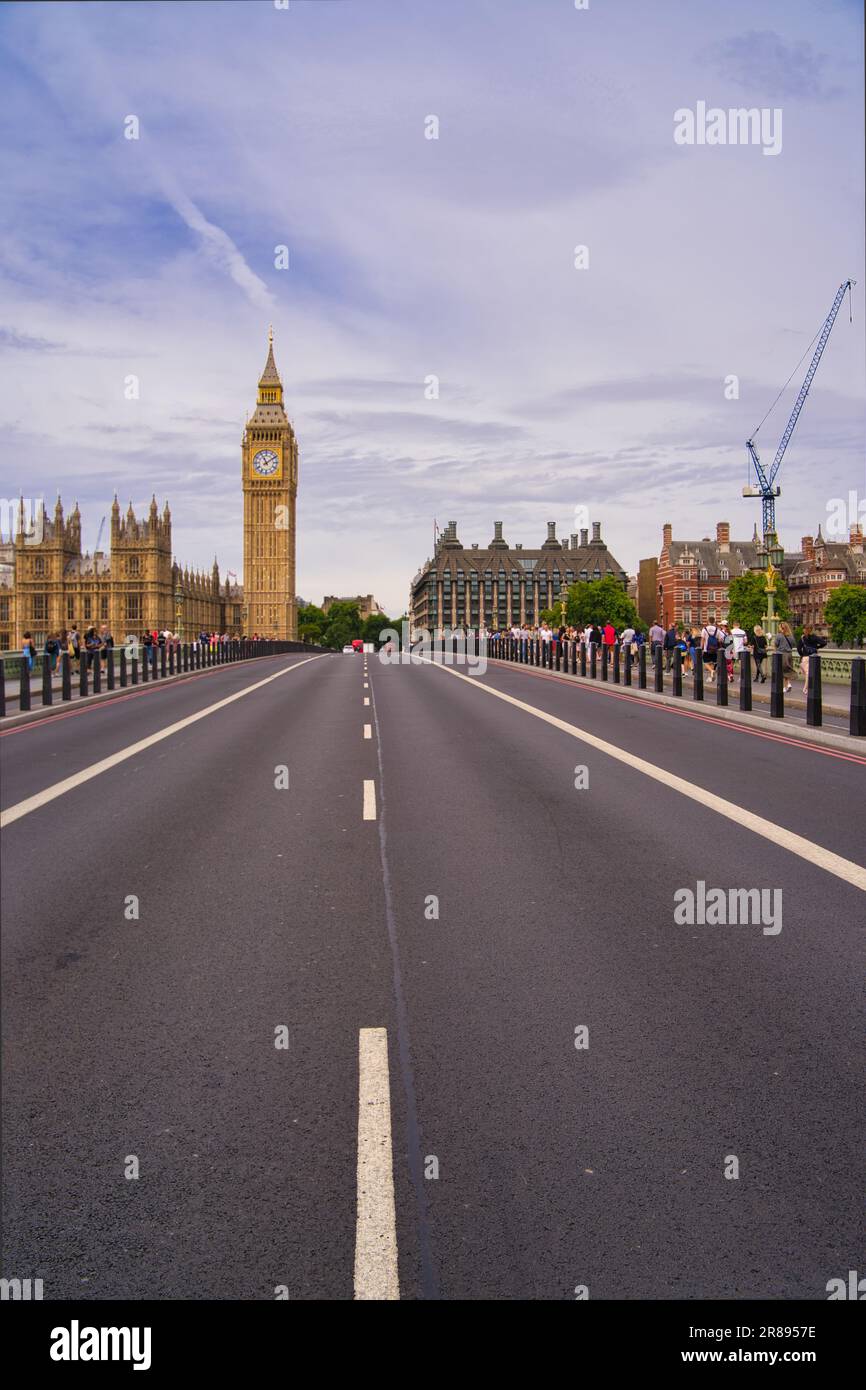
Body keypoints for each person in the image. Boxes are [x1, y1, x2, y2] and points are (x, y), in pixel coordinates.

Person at [798, 625, 827, 695]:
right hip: (813, 657)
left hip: (805, 657)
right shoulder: (815, 637)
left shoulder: (803, 638)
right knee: (810, 673)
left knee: (807, 674)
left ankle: (806, 688)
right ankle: (807, 688)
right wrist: (817, 647)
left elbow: (799, 648)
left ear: (804, 630)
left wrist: (803, 655)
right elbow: (824, 643)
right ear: (811, 630)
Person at [774, 622, 797, 694]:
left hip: (782, 654)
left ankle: (785, 687)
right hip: (789, 654)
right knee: (787, 669)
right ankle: (788, 684)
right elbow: (793, 644)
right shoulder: (790, 636)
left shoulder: (779, 635)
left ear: (781, 628)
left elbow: (776, 644)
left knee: (783, 671)